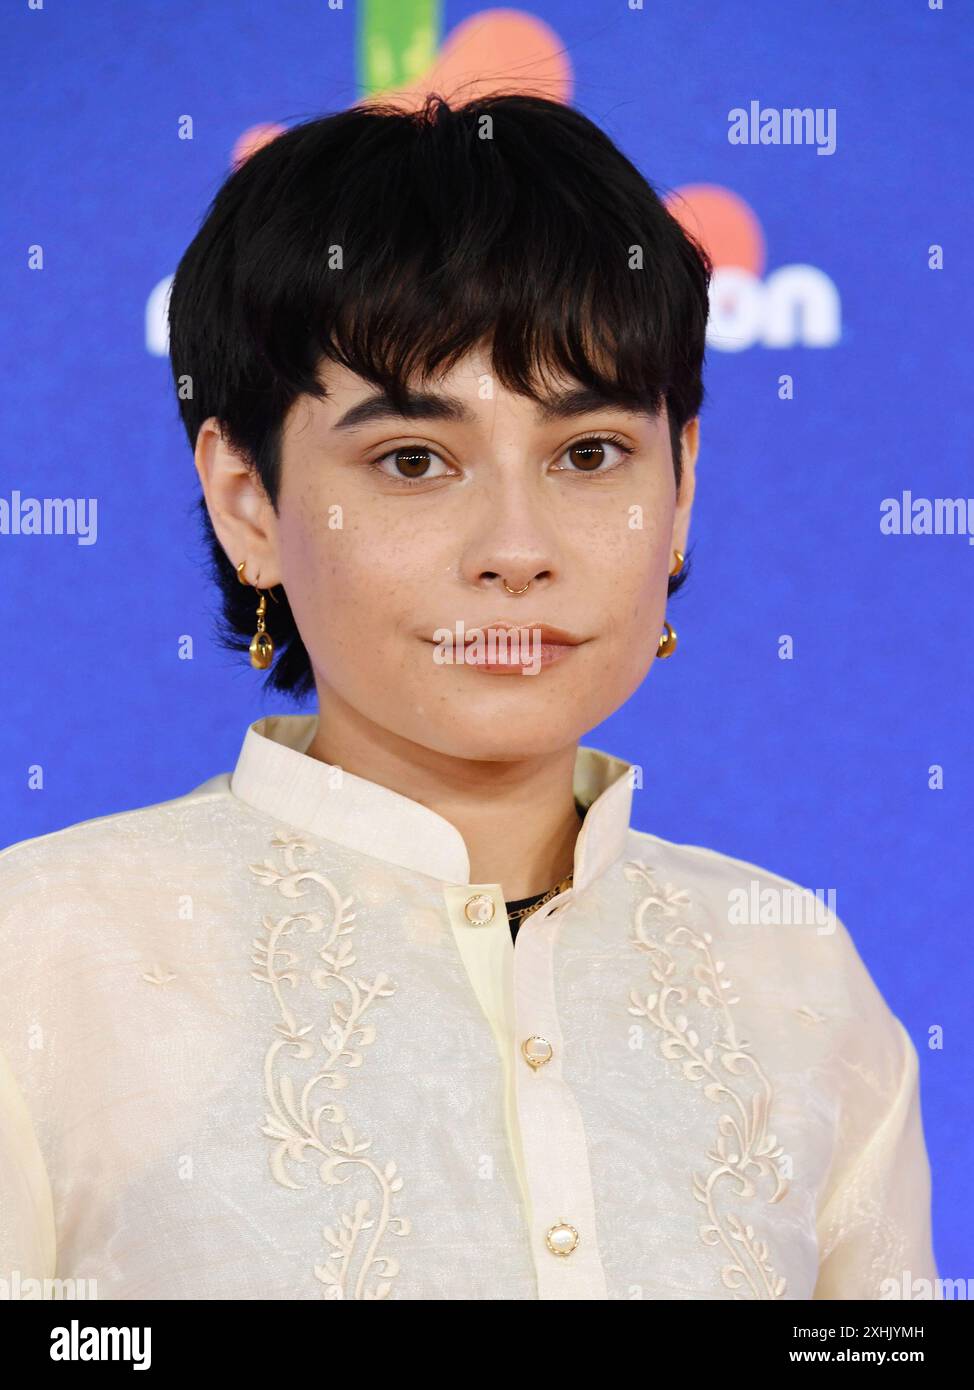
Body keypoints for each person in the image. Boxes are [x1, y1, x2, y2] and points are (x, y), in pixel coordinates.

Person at [0, 93, 937, 1302]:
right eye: (411, 461)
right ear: (248, 501)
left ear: (682, 482)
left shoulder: (796, 979)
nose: (515, 546)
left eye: (587, 453)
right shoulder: (44, 958)